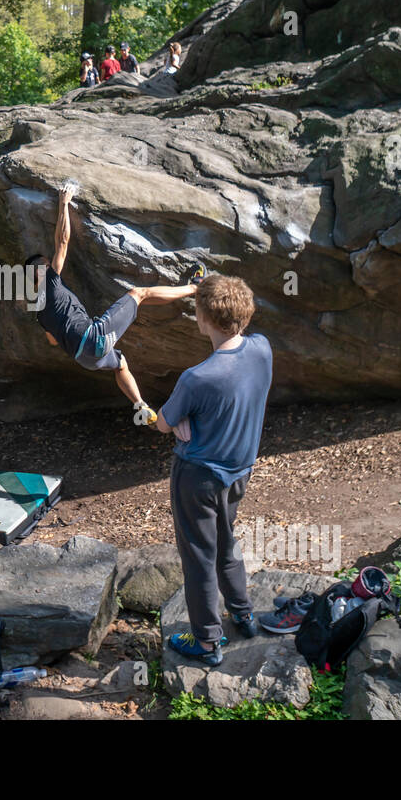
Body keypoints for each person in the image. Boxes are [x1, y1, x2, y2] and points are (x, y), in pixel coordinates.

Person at [156, 275, 272, 665]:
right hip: (239, 473)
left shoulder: (197, 377)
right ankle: (243, 612)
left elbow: (161, 422)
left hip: (198, 478)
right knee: (227, 541)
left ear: (202, 319)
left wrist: (178, 422)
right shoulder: (262, 350)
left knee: (199, 557)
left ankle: (207, 642)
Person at [27, 182, 200, 427]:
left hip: (85, 358)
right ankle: (195, 287)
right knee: (139, 293)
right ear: (41, 270)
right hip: (91, 338)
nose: (50, 264)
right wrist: (64, 203)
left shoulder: (39, 311)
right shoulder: (51, 281)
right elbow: (62, 242)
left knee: (120, 364)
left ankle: (141, 406)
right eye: (46, 263)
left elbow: (52, 341)